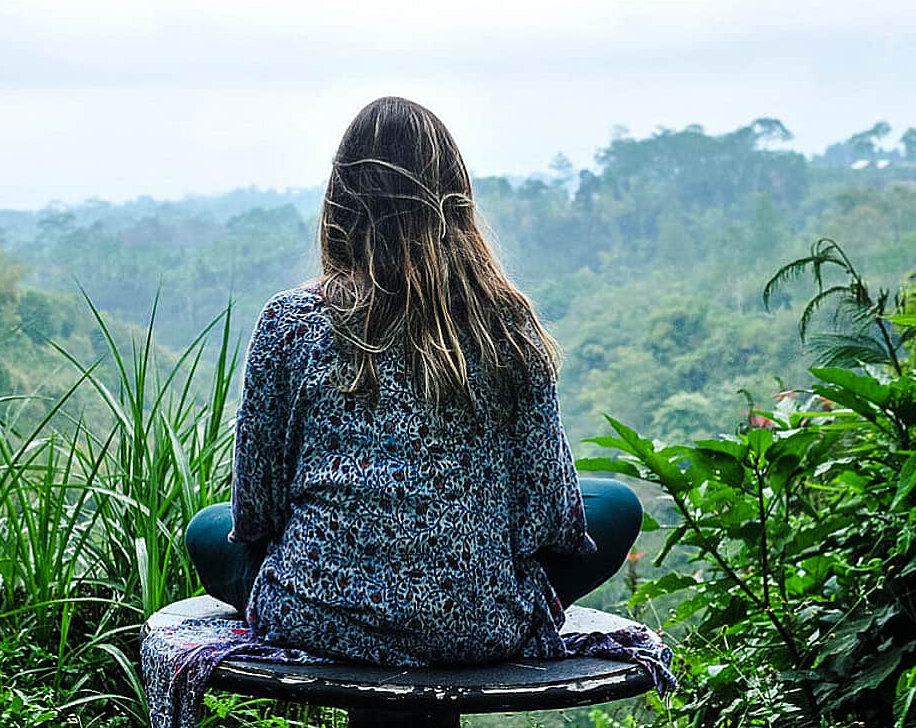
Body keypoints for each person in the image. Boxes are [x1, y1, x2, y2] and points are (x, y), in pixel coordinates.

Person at [185, 96, 643, 666]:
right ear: (456, 198)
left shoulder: (290, 321)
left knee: (209, 529)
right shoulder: (504, 320)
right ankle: (484, 607)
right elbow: (550, 515)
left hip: (312, 617)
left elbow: (255, 511)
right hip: (481, 626)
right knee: (617, 506)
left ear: (342, 200)